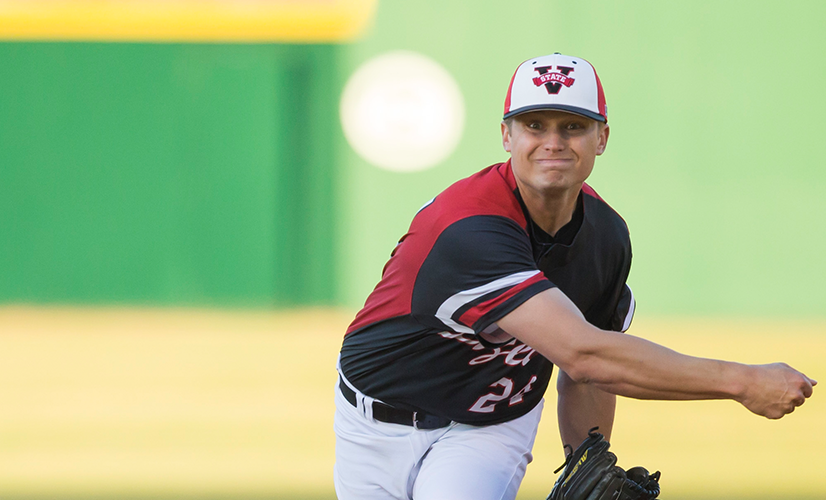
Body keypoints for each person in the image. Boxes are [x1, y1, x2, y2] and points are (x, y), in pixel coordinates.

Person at [333, 53, 816, 500]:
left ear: (601, 138)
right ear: (506, 136)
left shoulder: (606, 236)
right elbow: (584, 355)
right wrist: (741, 381)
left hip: (488, 428)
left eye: (573, 126)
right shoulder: (469, 227)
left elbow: (591, 376)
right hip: (373, 425)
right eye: (534, 125)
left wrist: (584, 460)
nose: (553, 142)